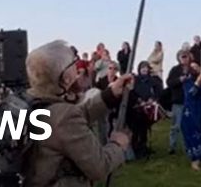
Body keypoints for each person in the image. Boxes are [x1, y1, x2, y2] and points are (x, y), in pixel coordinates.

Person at [20, 39, 131, 186]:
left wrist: (109, 95)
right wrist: (117, 145)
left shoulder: (25, 102)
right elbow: (99, 167)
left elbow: (66, 121)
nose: (77, 65)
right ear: (66, 78)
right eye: (74, 62)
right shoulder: (64, 117)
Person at [129, 61, 163, 160]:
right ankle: (136, 150)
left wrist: (152, 99)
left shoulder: (152, 80)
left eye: (146, 67)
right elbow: (132, 92)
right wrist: (139, 100)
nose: (144, 69)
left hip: (147, 108)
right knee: (136, 131)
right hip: (137, 108)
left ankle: (143, 149)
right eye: (142, 67)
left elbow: (157, 91)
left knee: (144, 130)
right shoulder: (135, 80)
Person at [165, 51, 193, 155]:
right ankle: (172, 146)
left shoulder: (193, 69)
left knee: (189, 126)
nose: (185, 59)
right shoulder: (175, 70)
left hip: (190, 102)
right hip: (178, 101)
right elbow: (169, 83)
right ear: (179, 58)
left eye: (187, 56)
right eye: (183, 57)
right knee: (175, 126)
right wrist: (179, 80)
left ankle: (188, 146)